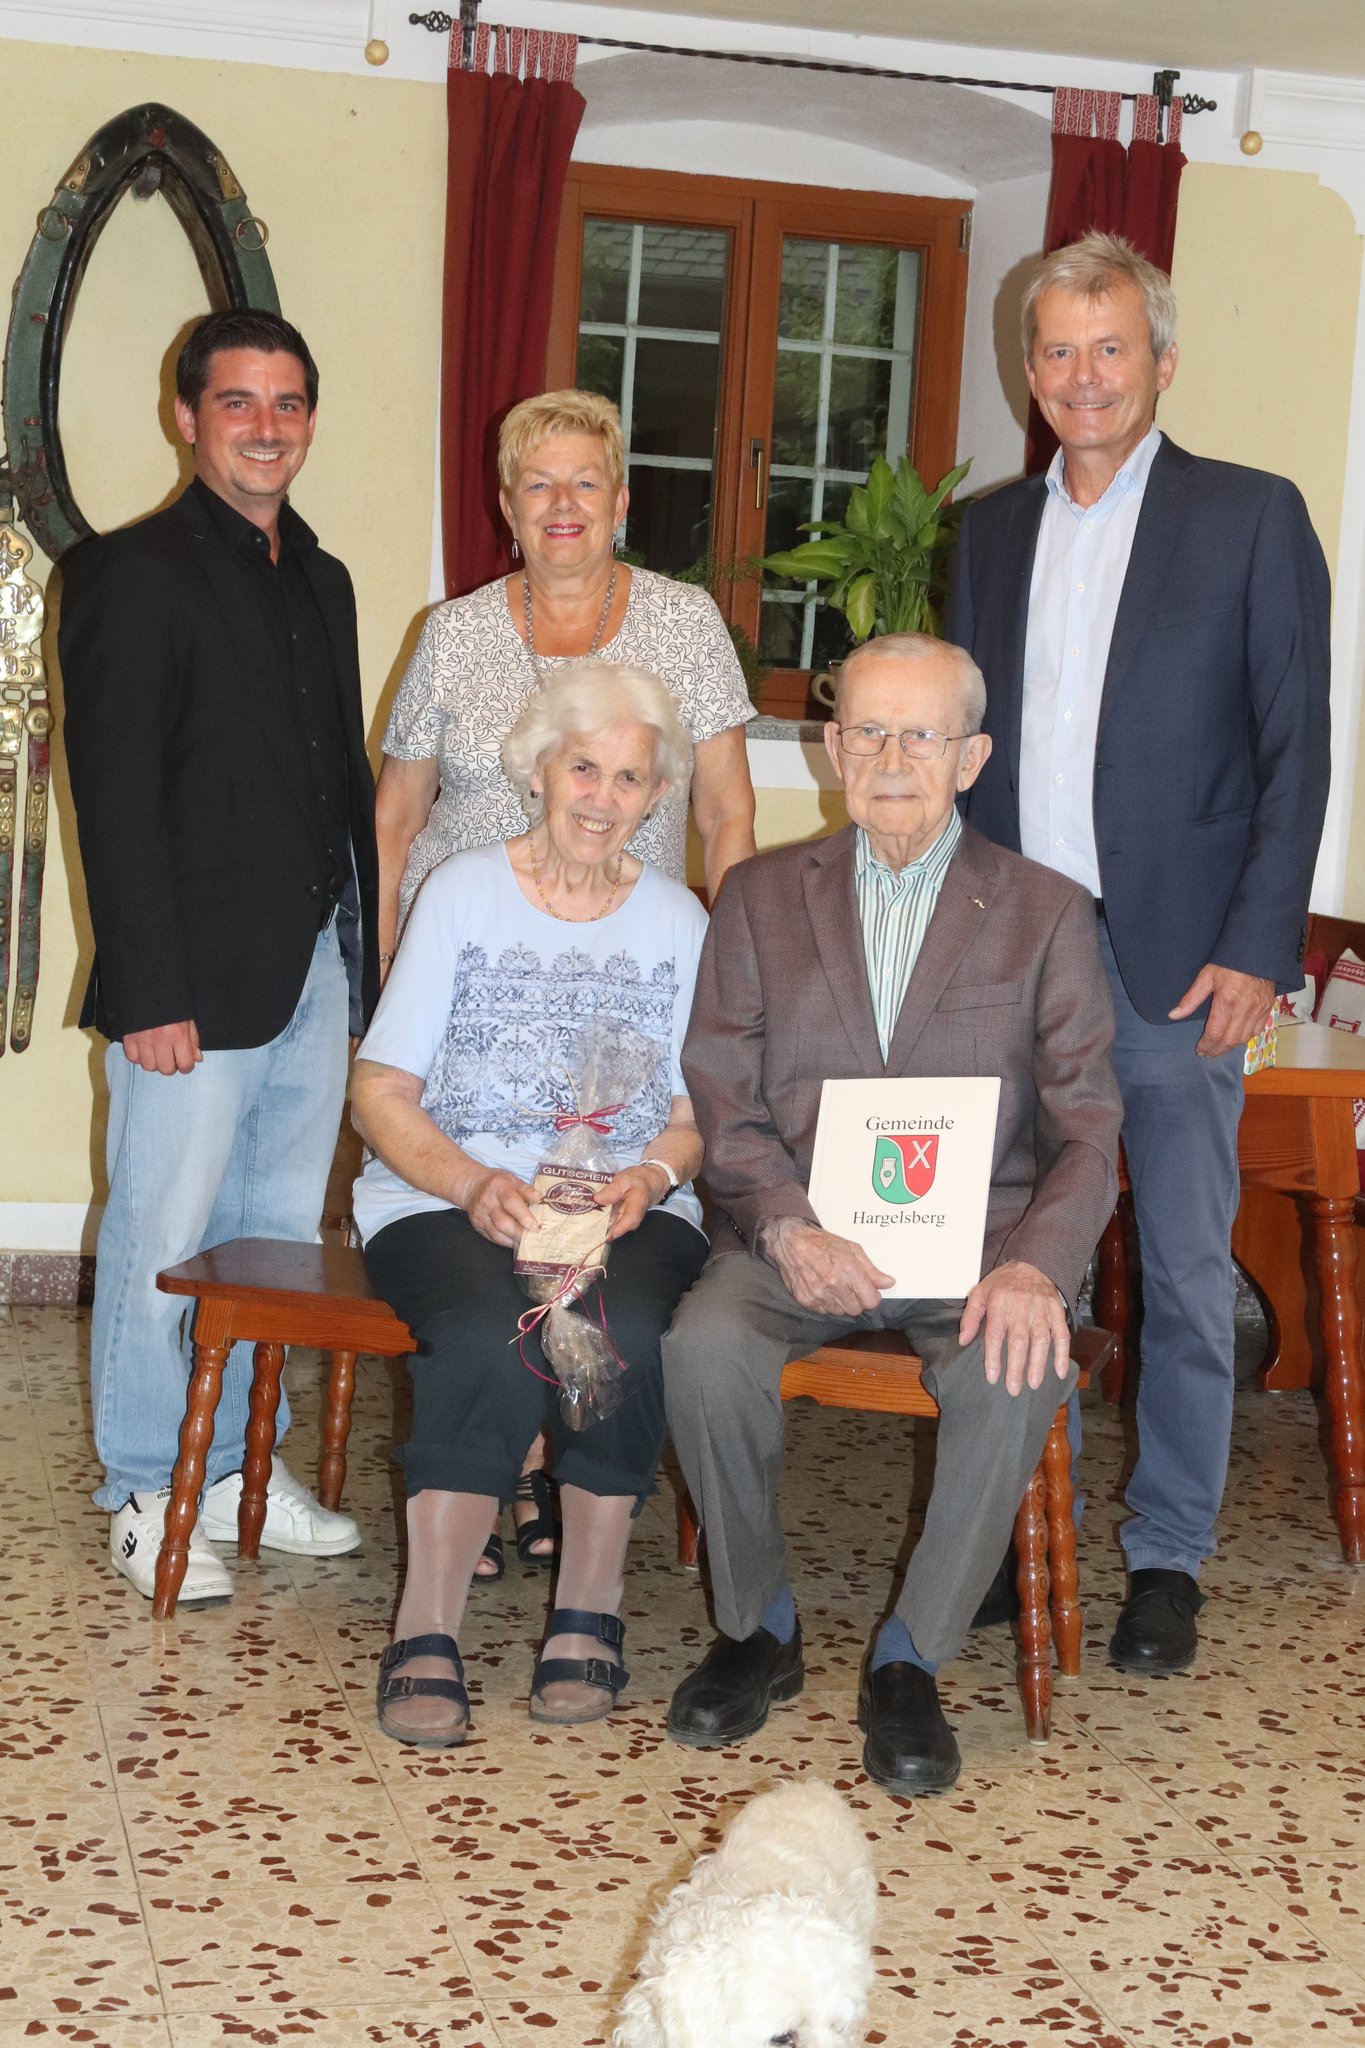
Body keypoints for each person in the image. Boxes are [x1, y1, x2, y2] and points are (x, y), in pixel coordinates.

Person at [948, 231, 1332, 1677]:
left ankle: (1165, 1557)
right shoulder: (987, 534)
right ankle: (1003, 1530)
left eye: (1111, 347)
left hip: (1179, 970)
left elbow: (1299, 748)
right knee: (1010, 1268)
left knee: (1178, 1276)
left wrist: (1259, 947)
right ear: (1026, 369)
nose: (1082, 375)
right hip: (1015, 967)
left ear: (1160, 363)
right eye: (1057, 349)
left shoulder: (1246, 516)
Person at [662, 635, 1122, 1793]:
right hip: (802, 1233)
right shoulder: (761, 897)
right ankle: (759, 1624)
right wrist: (784, 1226)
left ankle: (911, 1657)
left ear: (971, 757)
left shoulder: (1050, 914)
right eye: (867, 730)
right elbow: (724, 1092)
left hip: (982, 1249)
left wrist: (1037, 1269)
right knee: (703, 1343)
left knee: (1016, 1367)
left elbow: (1088, 1128)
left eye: (921, 734)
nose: (892, 756)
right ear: (831, 749)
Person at [375, 387, 756, 1573]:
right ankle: (503, 1472)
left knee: (592, 1206)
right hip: (474, 974)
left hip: (629, 986)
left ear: (623, 499)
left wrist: (728, 992)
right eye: (536, 483)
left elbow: (730, 817)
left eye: (585, 480)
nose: (562, 505)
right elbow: (396, 819)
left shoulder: (686, 625)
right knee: (483, 1221)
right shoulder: (455, 632)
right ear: (504, 504)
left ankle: (540, 1476)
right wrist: (399, 978)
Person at [60, 308, 379, 1604]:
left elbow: (337, 785)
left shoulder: (326, 579)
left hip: (311, 977)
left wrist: (367, 964)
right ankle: (144, 1484)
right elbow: (115, 797)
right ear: (187, 416)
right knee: (164, 1234)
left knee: (267, 1243)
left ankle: (247, 1469)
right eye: (237, 402)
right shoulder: (127, 575)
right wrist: (149, 991)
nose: (265, 426)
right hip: (189, 990)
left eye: (288, 403)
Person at [352, 663, 709, 1748]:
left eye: (628, 777)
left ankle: (588, 1606)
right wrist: (470, 1180)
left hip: (620, 1207)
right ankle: (429, 1620)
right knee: (482, 1333)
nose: (601, 795)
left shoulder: (679, 918)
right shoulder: (461, 890)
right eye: (582, 766)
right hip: (448, 1193)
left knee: (623, 1327)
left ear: (655, 796)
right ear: (539, 769)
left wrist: (651, 1176)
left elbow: (698, 1113)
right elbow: (379, 1093)